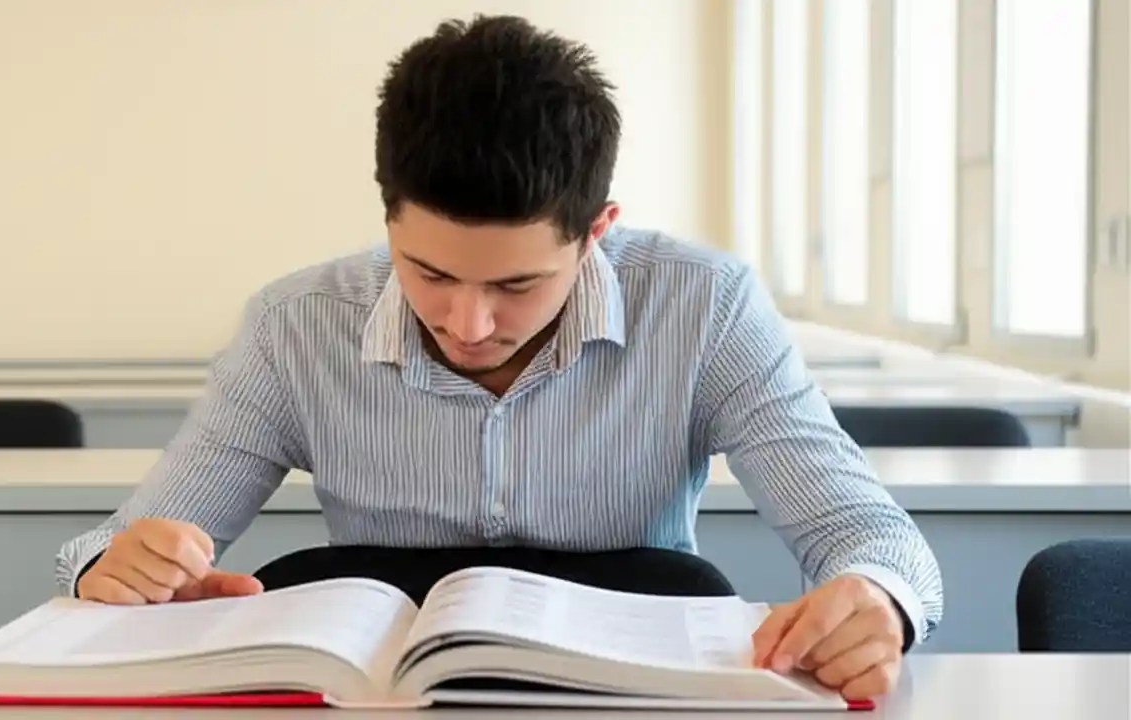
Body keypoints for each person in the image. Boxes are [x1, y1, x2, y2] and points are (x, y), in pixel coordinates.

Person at [57, 14, 942, 701]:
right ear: (388, 213)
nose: (468, 322)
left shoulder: (705, 306)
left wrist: (875, 598)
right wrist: (119, 571)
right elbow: (120, 543)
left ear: (597, 230)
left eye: (517, 285)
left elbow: (868, 535)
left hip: (625, 698)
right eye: (429, 272)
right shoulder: (295, 324)